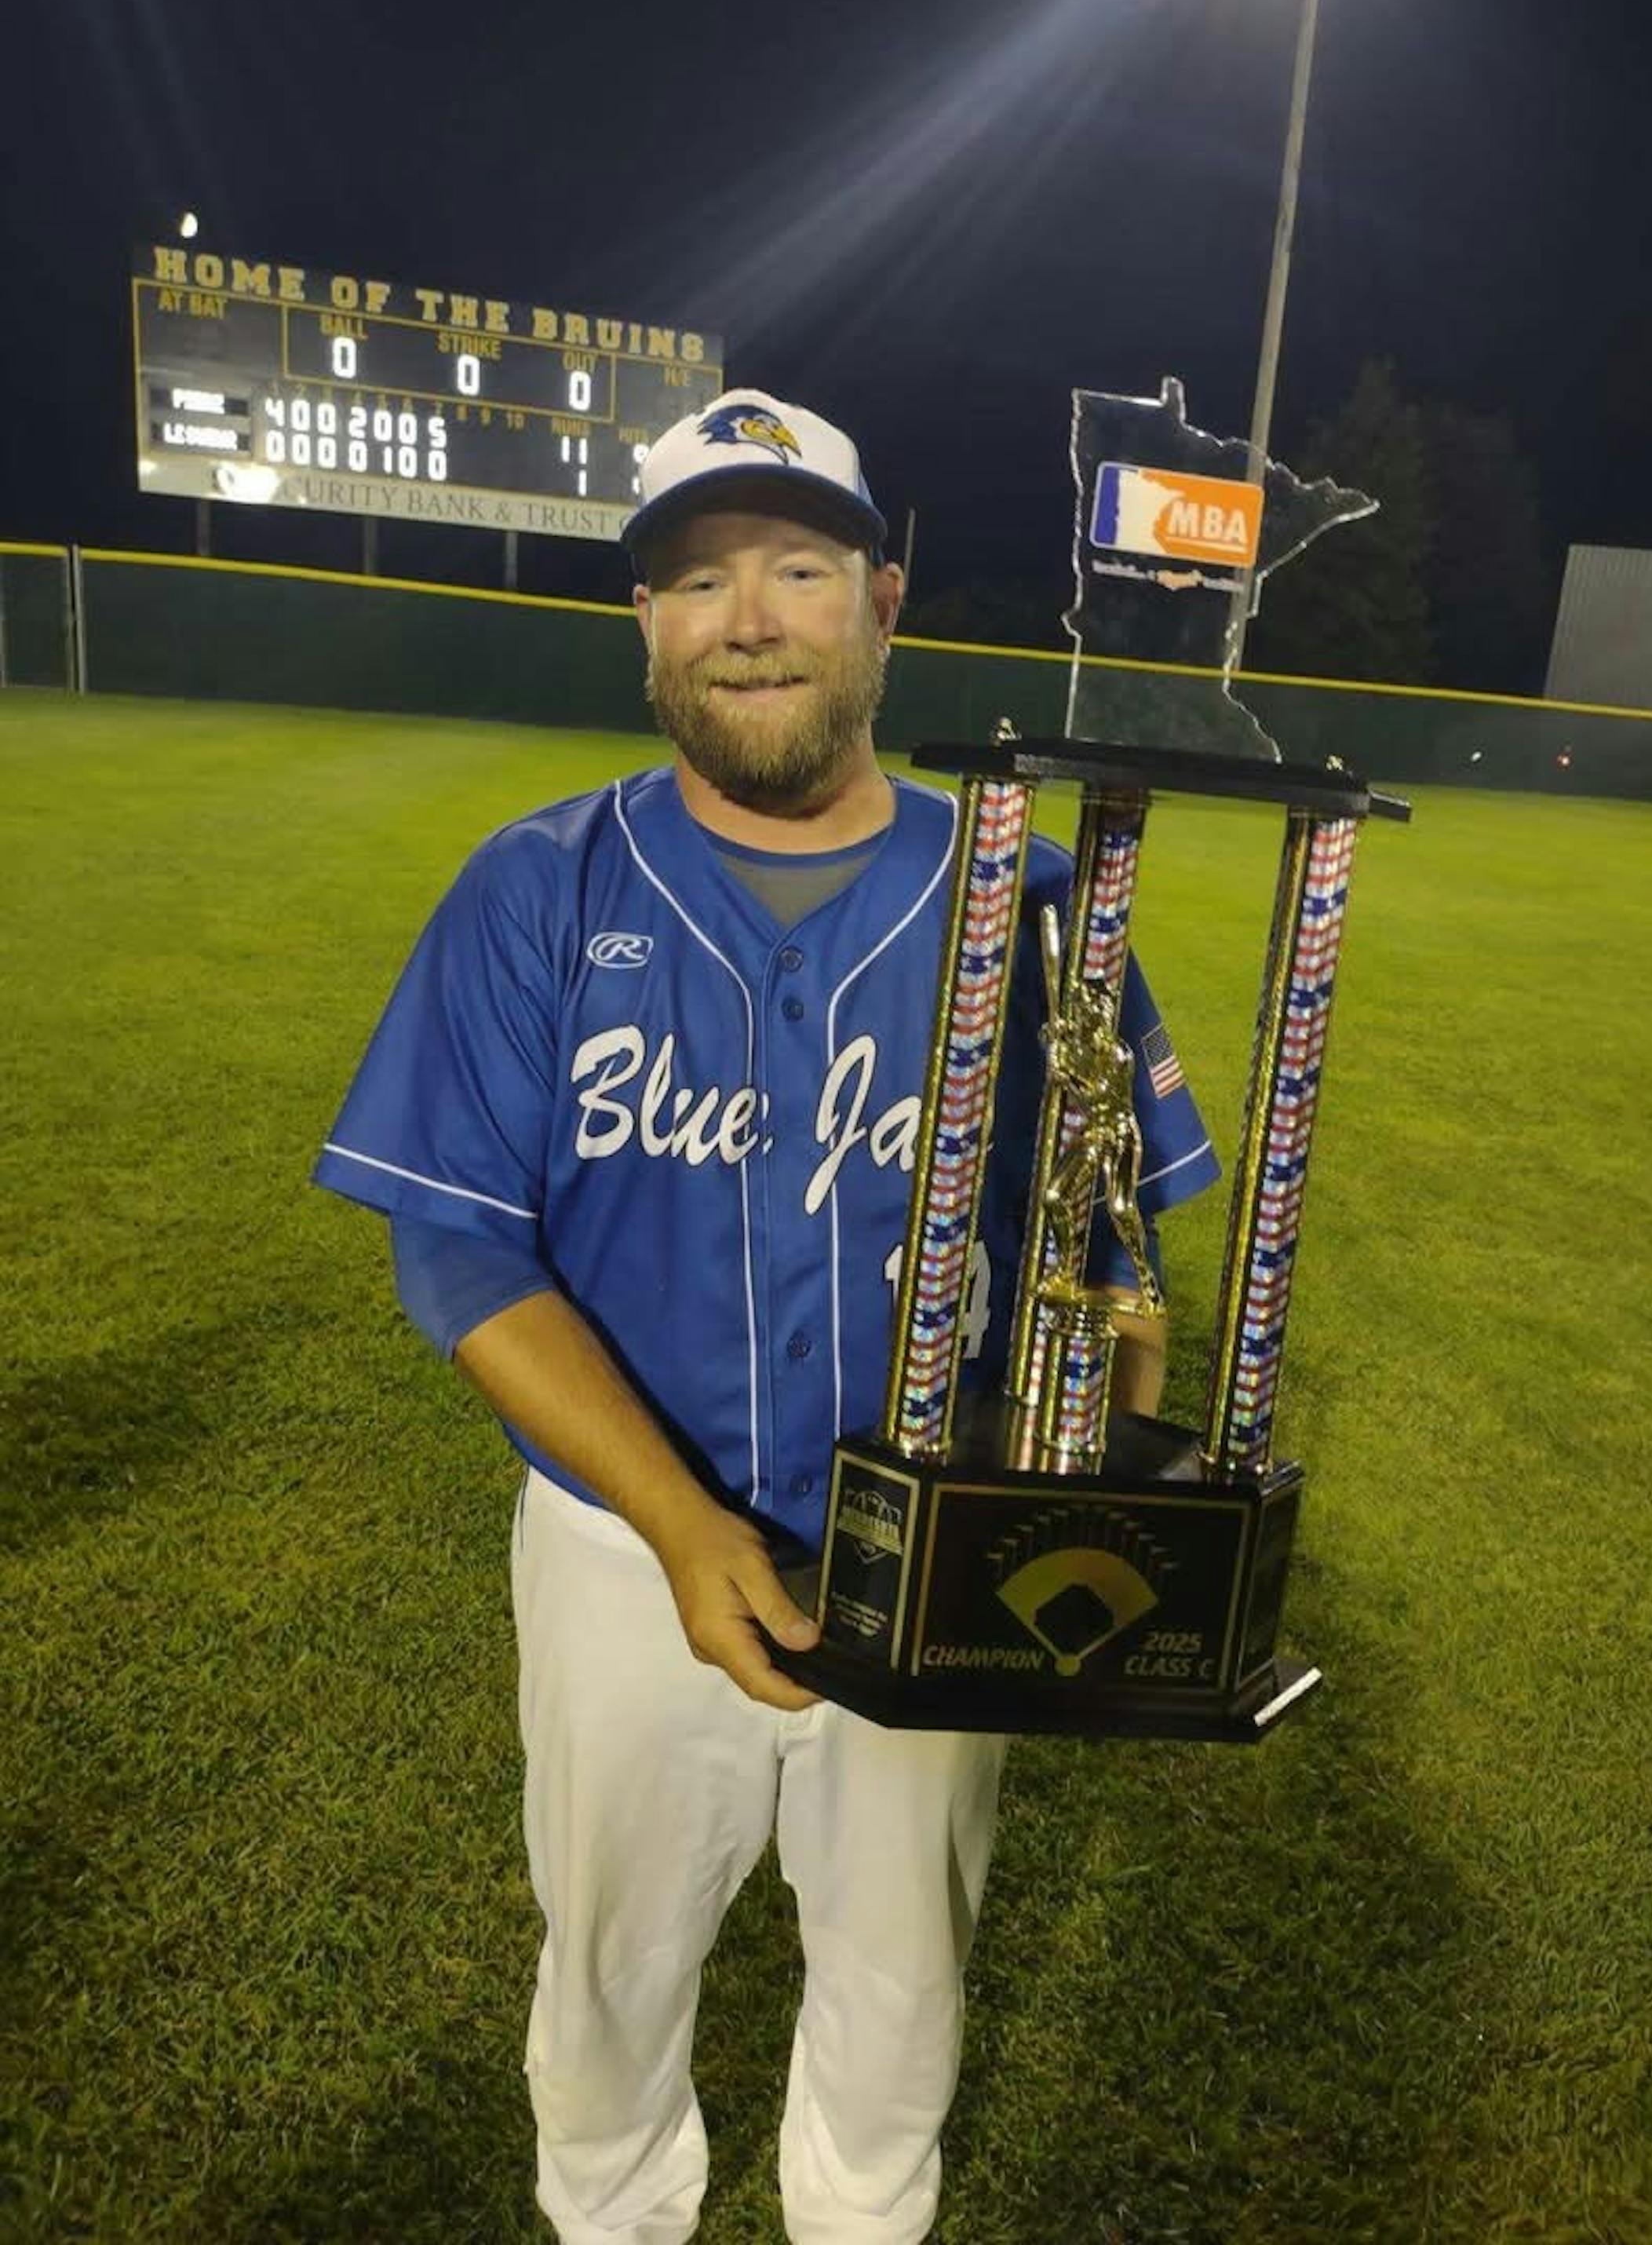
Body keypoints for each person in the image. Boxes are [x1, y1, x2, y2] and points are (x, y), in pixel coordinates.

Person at [311, 389, 1221, 2245]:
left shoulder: (1034, 897)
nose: (749, 617)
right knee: (610, 1982)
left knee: (899, 1997)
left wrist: (1118, 1442)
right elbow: (460, 1254)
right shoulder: (535, 889)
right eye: (699, 577)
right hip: (615, 1557)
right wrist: (678, 1525)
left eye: (797, 567)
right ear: (644, 622)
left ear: (883, 599)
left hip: (936, 1553)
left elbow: (1113, 1249)